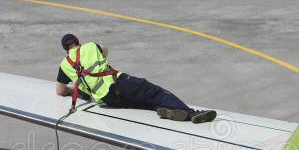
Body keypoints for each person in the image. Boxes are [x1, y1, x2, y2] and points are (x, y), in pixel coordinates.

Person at [54, 34, 217, 124]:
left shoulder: (65, 64)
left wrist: (71, 88)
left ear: (65, 51)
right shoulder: (89, 46)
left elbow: (60, 91)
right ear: (78, 42)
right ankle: (192, 114)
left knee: (144, 103)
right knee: (155, 92)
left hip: (106, 100)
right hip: (118, 83)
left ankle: (169, 112)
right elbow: (105, 50)